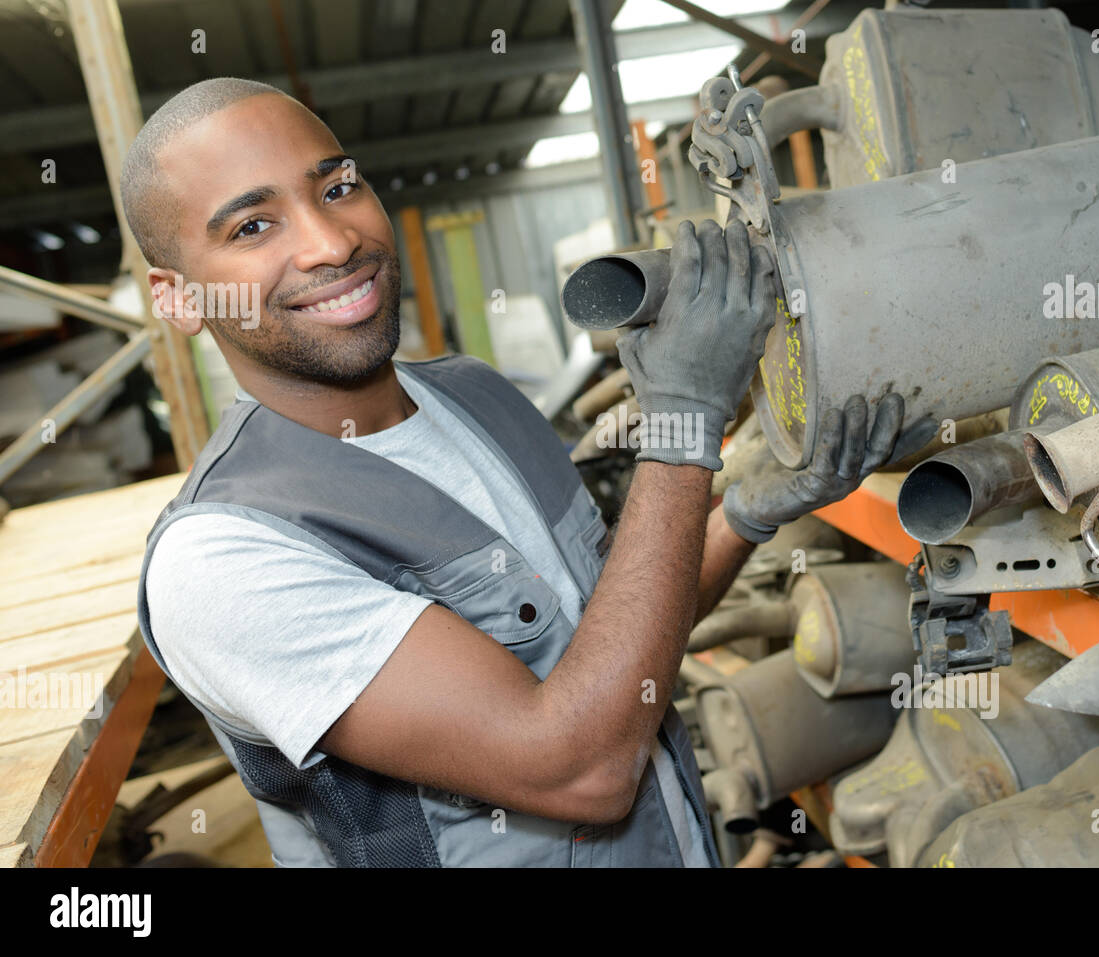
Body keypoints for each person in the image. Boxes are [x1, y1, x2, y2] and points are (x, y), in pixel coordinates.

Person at [128, 77, 915, 867]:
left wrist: (746, 511)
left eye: (338, 187)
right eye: (253, 225)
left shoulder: (478, 396)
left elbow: (619, 627)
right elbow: (582, 768)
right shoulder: (223, 558)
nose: (330, 243)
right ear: (177, 298)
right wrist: (682, 419)